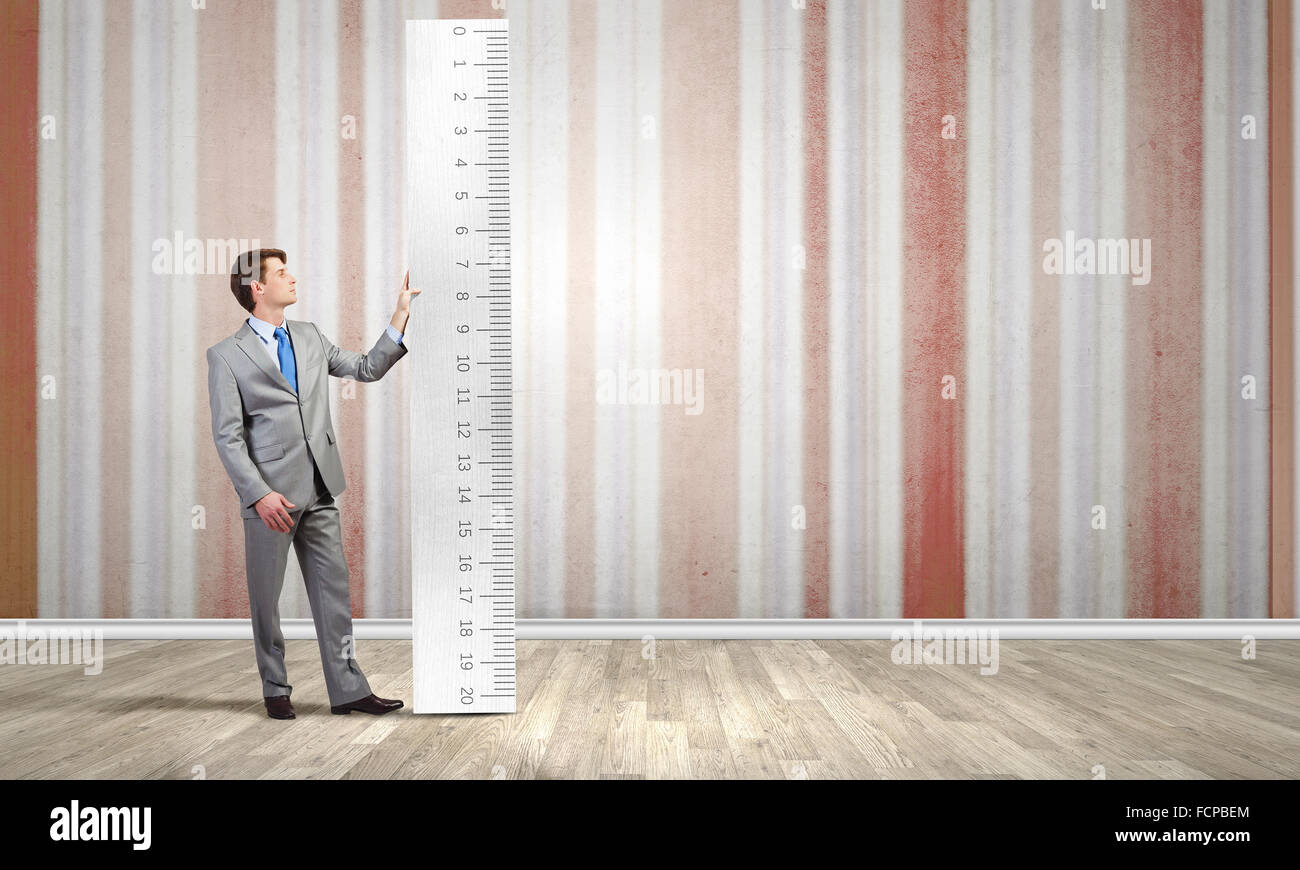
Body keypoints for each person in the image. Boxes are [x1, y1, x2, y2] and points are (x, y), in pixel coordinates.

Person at [206, 248, 420, 719]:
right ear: (257, 288)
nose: (293, 277)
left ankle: (348, 690)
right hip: (271, 499)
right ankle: (275, 688)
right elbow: (228, 436)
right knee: (267, 598)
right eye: (282, 273)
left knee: (333, 593)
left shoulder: (308, 336)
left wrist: (399, 313)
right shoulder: (225, 356)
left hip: (320, 487)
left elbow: (366, 367)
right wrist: (258, 494)